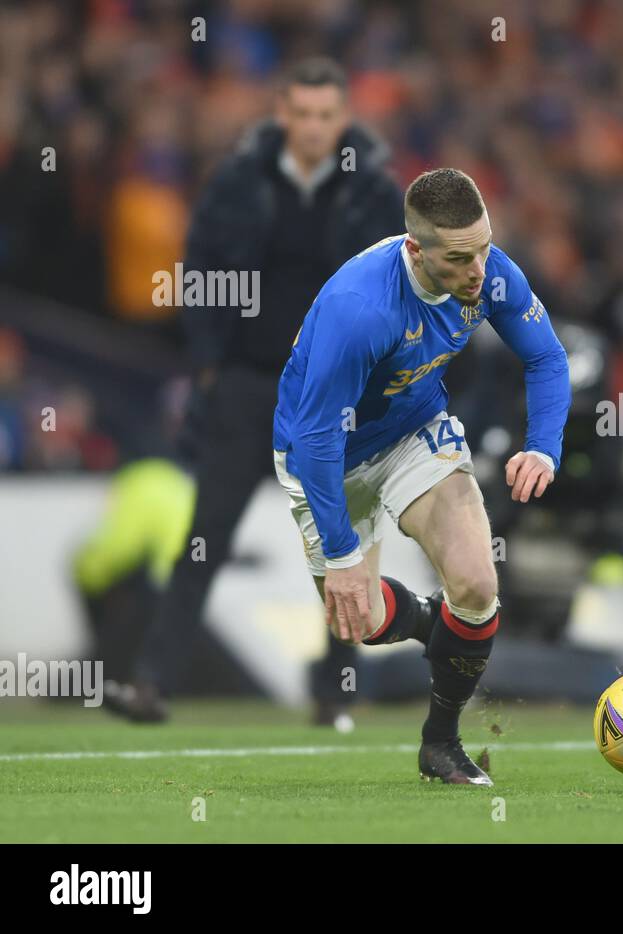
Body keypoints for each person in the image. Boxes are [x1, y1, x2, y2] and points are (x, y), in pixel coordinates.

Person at [104, 58, 405, 726]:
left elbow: (397, 287)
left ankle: (334, 689)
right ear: (282, 114)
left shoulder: (374, 192)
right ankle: (153, 683)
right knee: (206, 532)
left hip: (335, 388)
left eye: (327, 115)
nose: (314, 128)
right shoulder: (240, 180)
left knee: (342, 543)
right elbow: (202, 268)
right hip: (249, 381)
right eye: (302, 113)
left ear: (343, 119)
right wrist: (210, 362)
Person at [272, 167, 570, 785]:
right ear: (417, 249)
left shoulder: (488, 273)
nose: (478, 272)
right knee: (359, 621)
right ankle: (442, 631)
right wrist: (343, 551)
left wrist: (542, 448)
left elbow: (546, 356)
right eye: (461, 259)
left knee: (477, 584)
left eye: (485, 249)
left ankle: (441, 744)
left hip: (415, 434)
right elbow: (316, 435)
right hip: (325, 456)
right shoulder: (360, 308)